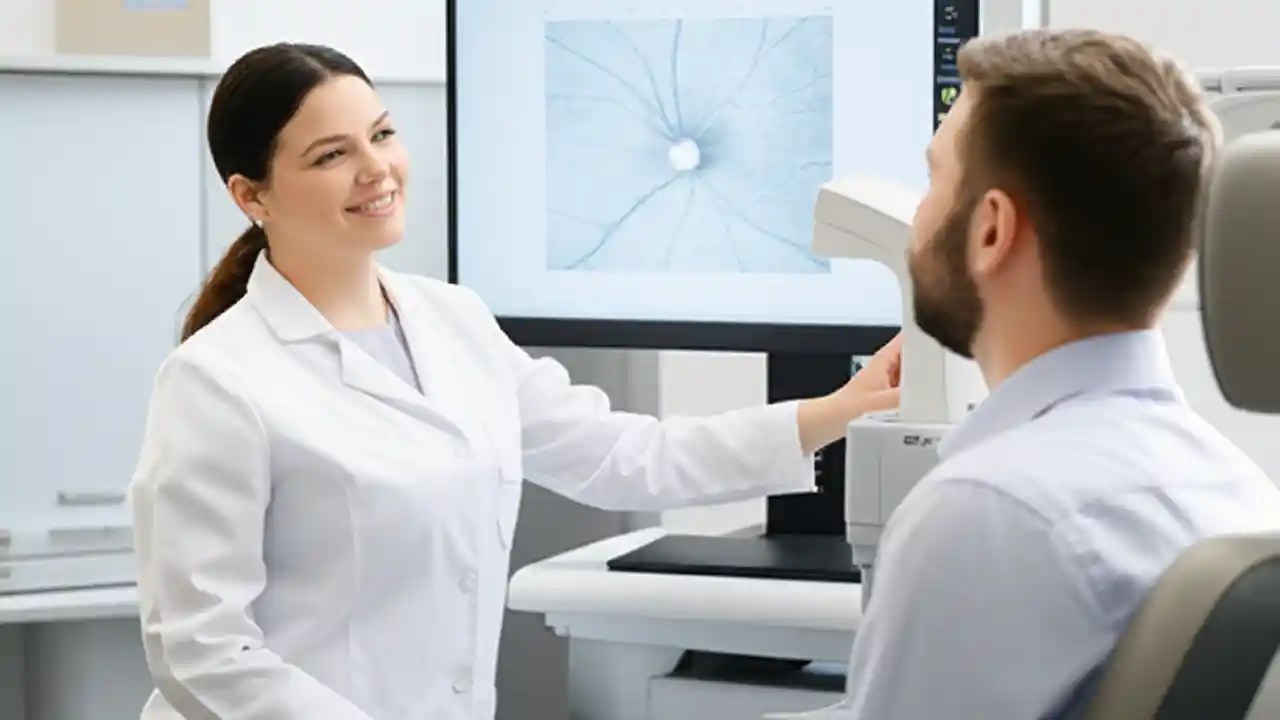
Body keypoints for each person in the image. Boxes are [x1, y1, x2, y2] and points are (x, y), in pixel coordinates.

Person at [126, 43, 901, 720]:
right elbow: (203, 650)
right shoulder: (218, 380)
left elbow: (619, 454)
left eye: (383, 134)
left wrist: (839, 410)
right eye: (331, 155)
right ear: (250, 194)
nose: (377, 170)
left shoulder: (452, 319)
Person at [827, 28, 1280, 719]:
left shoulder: (987, 514)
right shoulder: (1236, 487)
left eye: (934, 179)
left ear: (991, 229)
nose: (917, 216)